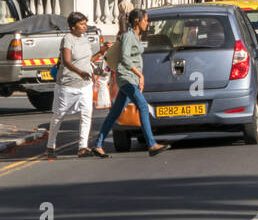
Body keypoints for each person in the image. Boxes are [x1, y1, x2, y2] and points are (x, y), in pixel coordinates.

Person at [92, 8, 170, 158]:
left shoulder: (136, 36)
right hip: (127, 77)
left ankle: (98, 145)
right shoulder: (128, 36)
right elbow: (125, 59)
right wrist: (140, 75)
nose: (147, 23)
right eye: (145, 20)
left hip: (130, 78)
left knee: (115, 113)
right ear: (137, 21)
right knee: (142, 106)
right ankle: (152, 144)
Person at [46, 12, 95, 159]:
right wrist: (80, 72)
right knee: (59, 115)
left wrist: (102, 52)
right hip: (67, 85)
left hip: (85, 84)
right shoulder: (67, 39)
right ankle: (50, 146)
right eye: (81, 24)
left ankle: (82, 147)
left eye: (85, 24)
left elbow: (88, 59)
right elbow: (67, 61)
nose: (84, 27)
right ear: (73, 26)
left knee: (86, 114)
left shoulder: (85, 39)